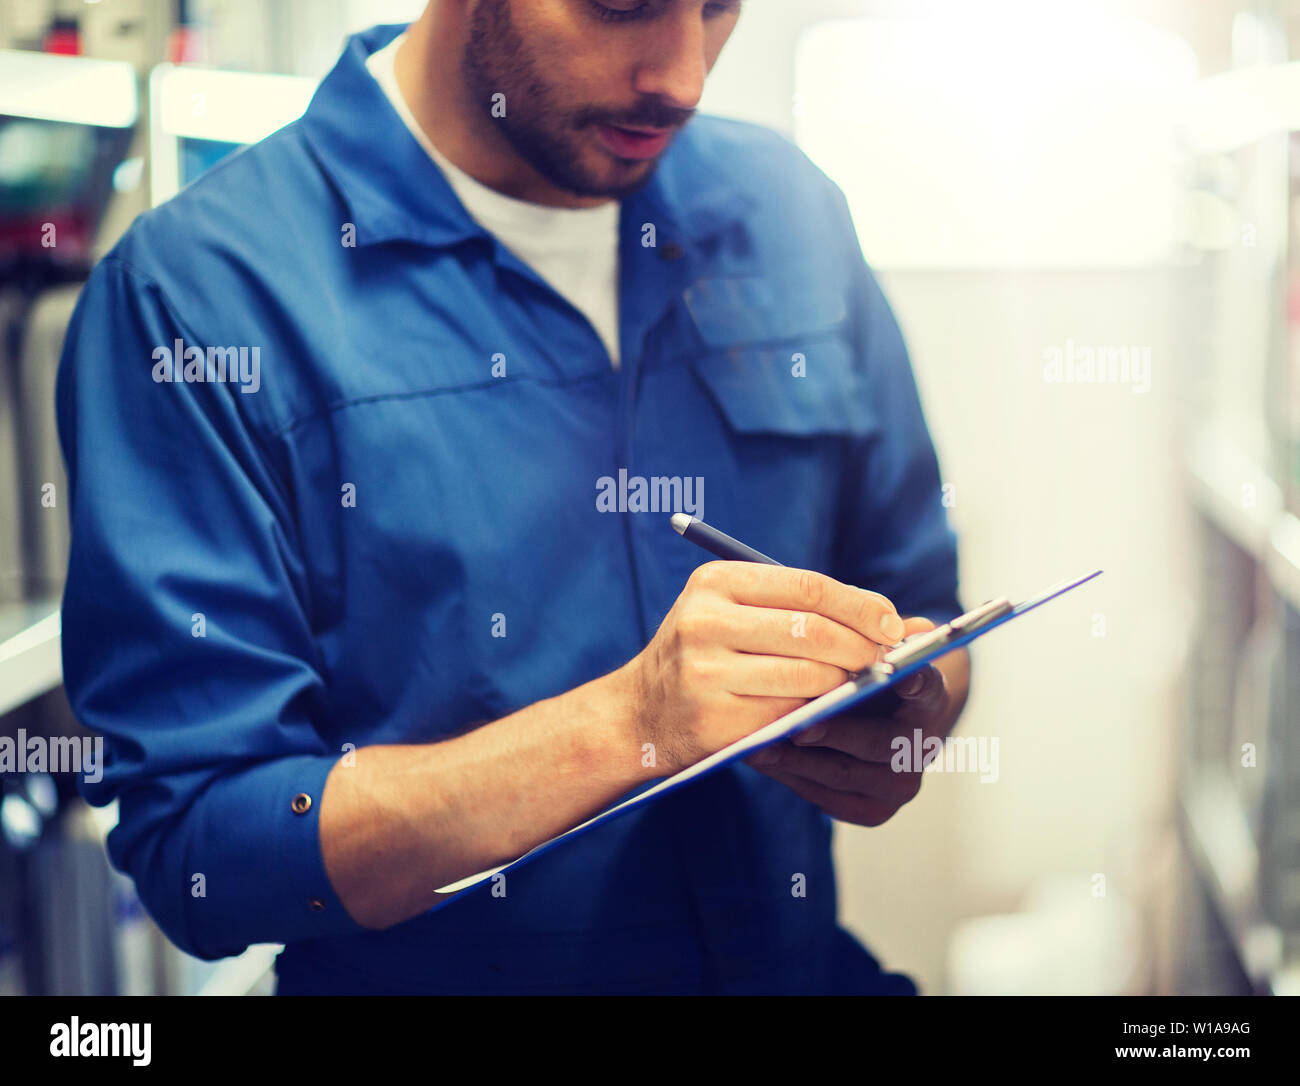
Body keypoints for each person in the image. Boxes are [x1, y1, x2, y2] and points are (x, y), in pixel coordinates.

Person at [56, 0, 969, 995]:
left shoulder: (790, 207)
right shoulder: (198, 297)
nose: (682, 75)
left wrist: (904, 711)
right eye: (624, 4)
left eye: (716, 8)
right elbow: (202, 854)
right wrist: (627, 728)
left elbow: (926, 611)